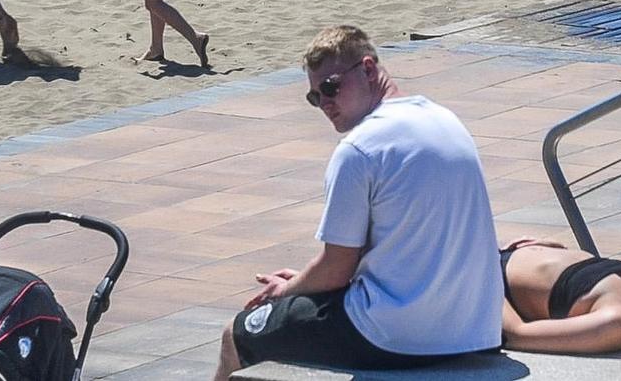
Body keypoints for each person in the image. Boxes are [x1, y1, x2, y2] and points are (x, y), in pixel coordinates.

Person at [215, 26, 501, 381]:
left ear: (368, 69)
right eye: (315, 97)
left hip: (394, 336)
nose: (325, 103)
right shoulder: (446, 120)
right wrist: (307, 279)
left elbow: (337, 268)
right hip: (474, 329)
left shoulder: (359, 150)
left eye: (331, 87)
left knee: (236, 335)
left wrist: (287, 290)